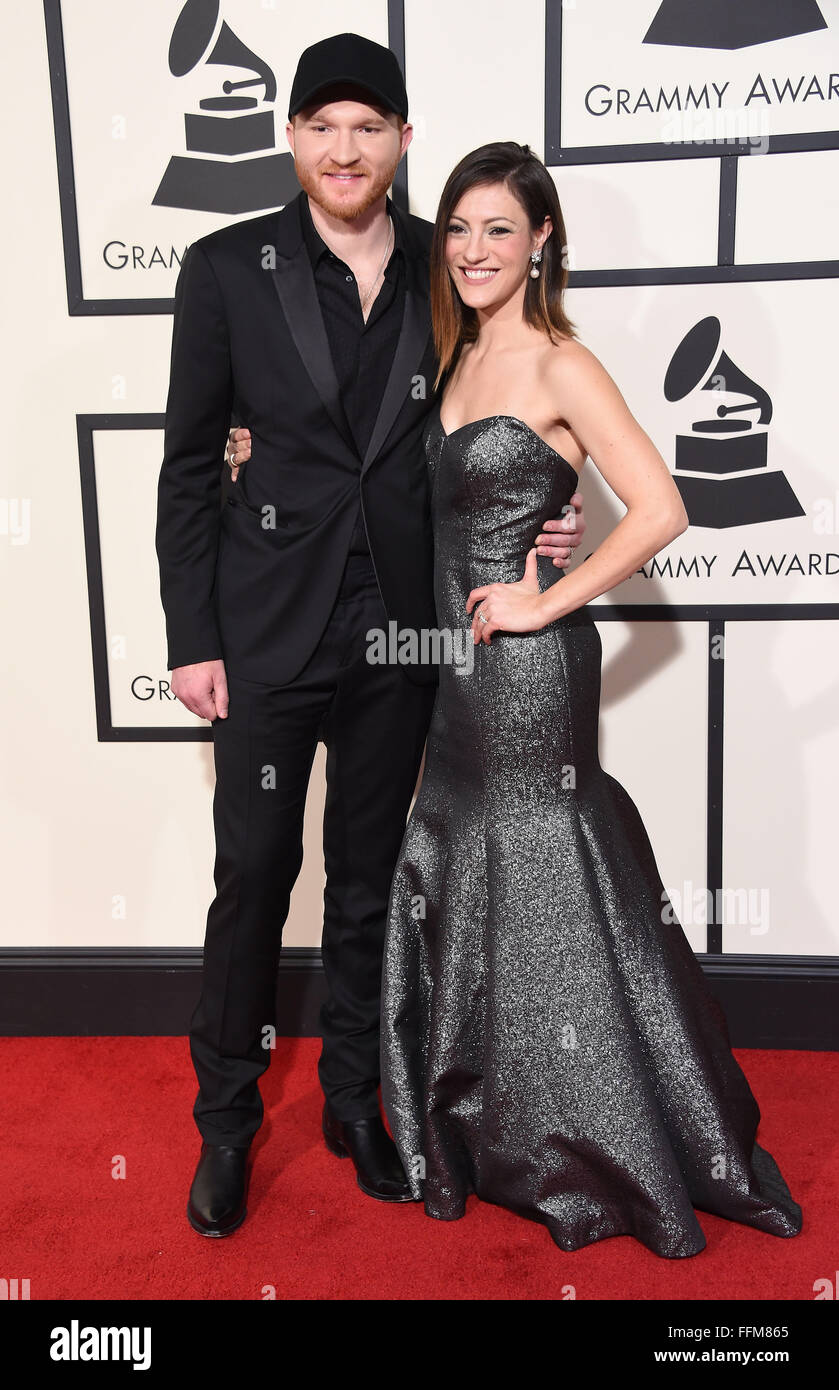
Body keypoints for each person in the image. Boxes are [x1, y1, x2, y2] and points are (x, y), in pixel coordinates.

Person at [155, 33, 586, 1238]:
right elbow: (189, 467)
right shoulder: (225, 267)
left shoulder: (445, 277)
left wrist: (550, 518)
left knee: (364, 885)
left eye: (369, 127)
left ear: (403, 141)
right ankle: (227, 1125)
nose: (344, 149)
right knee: (252, 881)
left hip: (400, 633)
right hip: (265, 633)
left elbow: (504, 407)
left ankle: (354, 1104)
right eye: (321, 125)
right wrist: (193, 637)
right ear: (292, 137)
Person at [377, 141, 803, 1258]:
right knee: (483, 867)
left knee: (547, 867)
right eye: (459, 229)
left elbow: (661, 506)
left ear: (540, 243)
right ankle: (502, 1124)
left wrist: (544, 596)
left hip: (525, 671)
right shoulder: (453, 352)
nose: (472, 250)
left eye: (498, 231)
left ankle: (605, 1131)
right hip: (453, 675)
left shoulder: (560, 362)